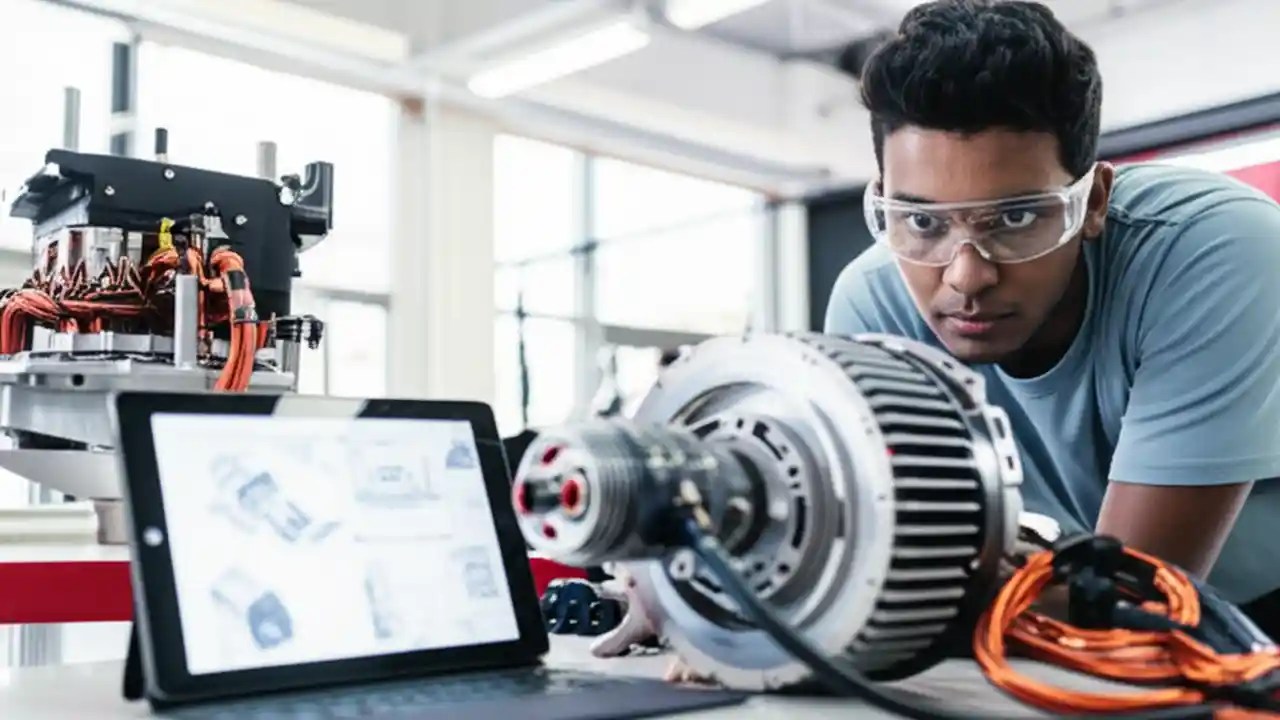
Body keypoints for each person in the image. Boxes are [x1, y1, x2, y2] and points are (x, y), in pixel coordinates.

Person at [825, 0, 1280, 636]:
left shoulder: (1217, 247)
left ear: (1093, 202)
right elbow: (890, 552)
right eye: (922, 221)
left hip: (1252, 611)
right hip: (1041, 615)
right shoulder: (870, 301)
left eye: (1015, 218)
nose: (966, 275)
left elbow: (1125, 599)